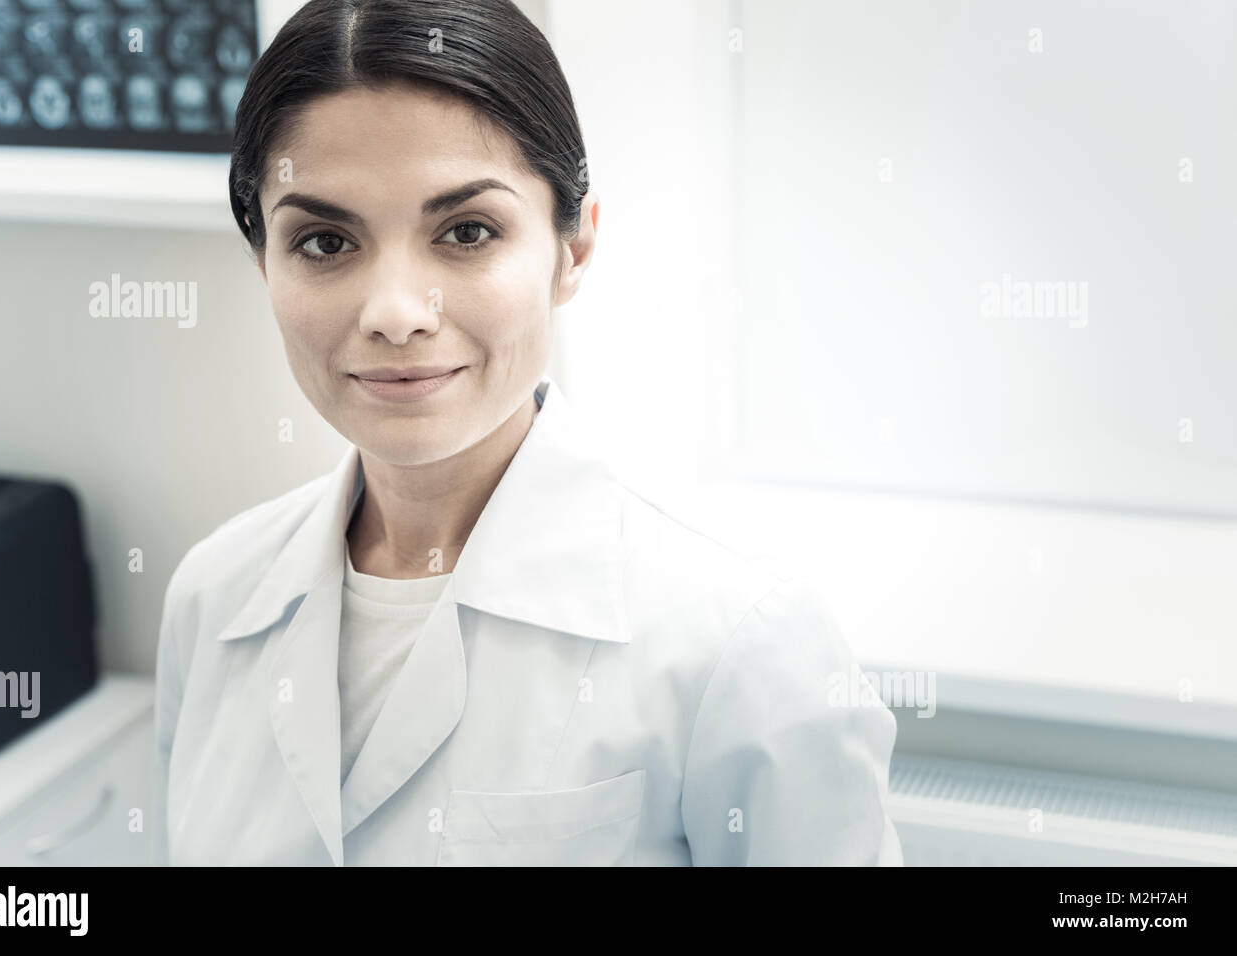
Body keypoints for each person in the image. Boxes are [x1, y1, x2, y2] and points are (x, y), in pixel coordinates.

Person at [151, 0, 903, 866]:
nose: (397, 314)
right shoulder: (210, 599)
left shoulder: (743, 645)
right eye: (324, 242)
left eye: (466, 232)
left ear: (571, 249)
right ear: (264, 264)